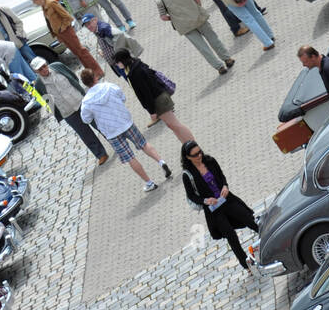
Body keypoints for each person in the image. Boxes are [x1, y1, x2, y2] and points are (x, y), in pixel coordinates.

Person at [79, 71, 172, 192]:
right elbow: (123, 97)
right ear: (95, 77)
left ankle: (149, 183)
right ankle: (161, 162)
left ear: (85, 84)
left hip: (111, 132)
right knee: (143, 144)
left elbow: (86, 119)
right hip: (125, 122)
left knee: (130, 158)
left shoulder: (86, 102)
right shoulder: (109, 86)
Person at [181, 143, 259, 274]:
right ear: (188, 157)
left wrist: (225, 186)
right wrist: (206, 201)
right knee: (231, 237)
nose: (199, 156)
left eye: (200, 152)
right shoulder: (187, 175)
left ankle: (271, 241)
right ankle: (247, 265)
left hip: (227, 200)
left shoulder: (209, 160)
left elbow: (221, 176)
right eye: (195, 155)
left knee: (249, 219)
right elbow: (192, 196)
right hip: (214, 210)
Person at [153, 0, 234, 75]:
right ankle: (227, 59)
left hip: (184, 26)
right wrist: (197, 8)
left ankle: (219, 67)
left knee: (202, 47)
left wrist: (173, 18)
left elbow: (163, 17)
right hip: (198, 17)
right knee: (213, 38)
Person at [30, 55, 108, 162]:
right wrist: (57, 113)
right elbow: (47, 101)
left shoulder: (58, 67)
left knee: (98, 123)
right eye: (40, 69)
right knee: (85, 134)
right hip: (67, 112)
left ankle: (114, 140)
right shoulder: (39, 85)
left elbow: (73, 77)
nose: (44, 70)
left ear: (46, 64)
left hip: (80, 102)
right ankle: (101, 154)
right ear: (36, 71)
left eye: (44, 66)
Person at [113, 48, 194, 143]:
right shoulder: (136, 64)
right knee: (172, 125)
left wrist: (152, 111)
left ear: (123, 61)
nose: (117, 65)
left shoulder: (134, 73)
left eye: (117, 62)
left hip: (158, 100)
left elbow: (146, 93)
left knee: (175, 125)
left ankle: (192, 145)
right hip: (160, 96)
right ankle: (186, 145)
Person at [28, 0, 104, 77]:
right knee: (78, 53)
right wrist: (57, 35)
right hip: (62, 33)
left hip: (66, 31)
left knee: (81, 51)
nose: (34, 3)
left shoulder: (51, 3)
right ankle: (92, 73)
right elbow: (50, 23)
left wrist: (63, 28)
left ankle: (98, 71)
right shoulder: (44, 7)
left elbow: (66, 16)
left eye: (34, 1)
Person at [81, 11, 142, 76]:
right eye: (86, 25)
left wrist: (120, 58)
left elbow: (120, 38)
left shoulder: (104, 29)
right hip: (118, 63)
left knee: (136, 78)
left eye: (89, 23)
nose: (88, 27)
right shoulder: (96, 30)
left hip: (123, 62)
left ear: (95, 20)